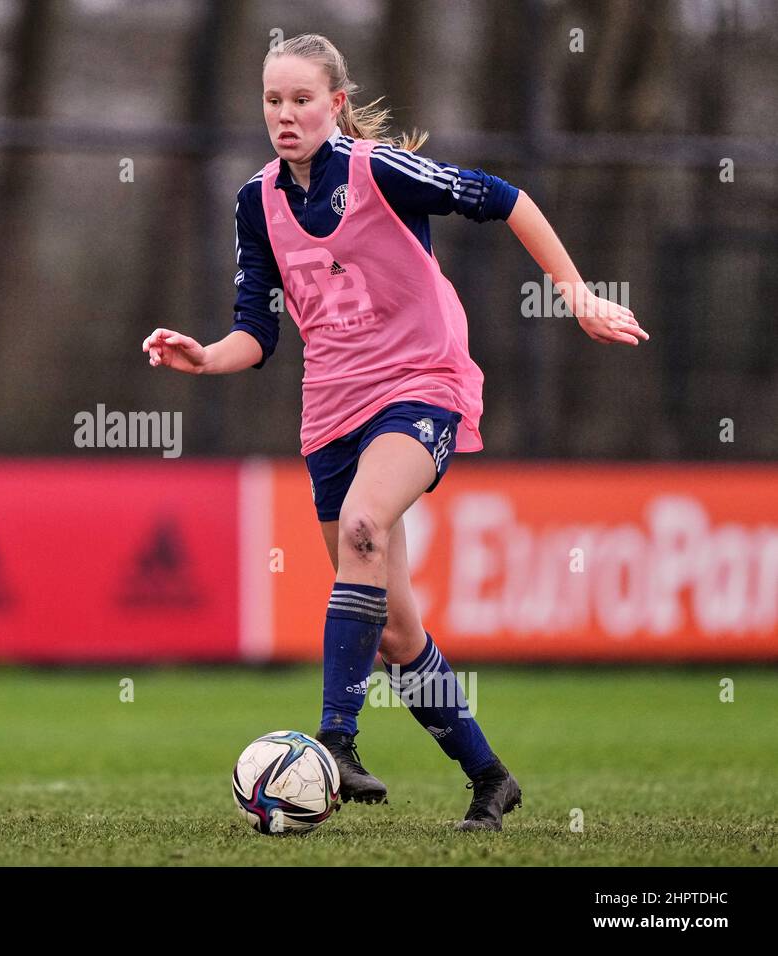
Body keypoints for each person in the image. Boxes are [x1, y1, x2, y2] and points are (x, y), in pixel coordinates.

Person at [142, 33, 646, 831]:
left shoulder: (380, 170)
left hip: (422, 387)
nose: (285, 114)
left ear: (336, 104)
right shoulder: (256, 200)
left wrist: (577, 293)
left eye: (302, 99)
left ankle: (335, 740)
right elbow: (257, 332)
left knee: (366, 530)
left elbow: (504, 196)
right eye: (273, 100)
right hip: (329, 415)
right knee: (395, 632)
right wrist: (204, 357)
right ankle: (490, 777)